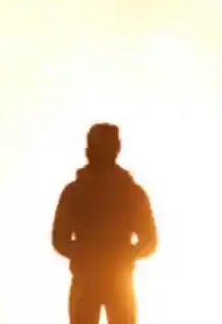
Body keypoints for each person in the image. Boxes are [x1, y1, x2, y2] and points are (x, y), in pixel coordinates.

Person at [52, 123, 157, 324]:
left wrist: (124, 254)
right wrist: (86, 254)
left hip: (117, 280)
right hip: (89, 280)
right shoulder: (75, 192)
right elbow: (59, 239)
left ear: (116, 148)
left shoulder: (130, 193)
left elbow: (150, 240)